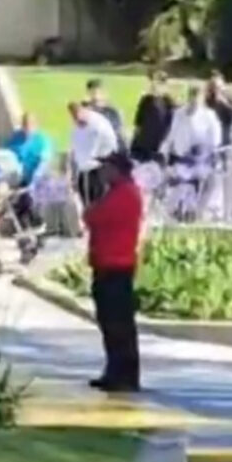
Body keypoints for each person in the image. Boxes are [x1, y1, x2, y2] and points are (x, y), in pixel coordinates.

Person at [83, 153, 142, 393]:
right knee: (110, 322)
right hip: (107, 262)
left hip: (115, 264)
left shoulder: (123, 194)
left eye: (106, 167)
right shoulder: (116, 193)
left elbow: (94, 217)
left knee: (118, 322)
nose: (103, 172)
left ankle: (124, 373)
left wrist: (94, 204)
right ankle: (114, 370)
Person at [160, 85, 222, 218]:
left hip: (200, 159)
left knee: (197, 192)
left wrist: (208, 153)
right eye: (192, 97)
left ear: (202, 99)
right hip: (180, 159)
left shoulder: (209, 116)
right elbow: (172, 134)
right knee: (177, 192)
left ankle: (192, 214)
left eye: (197, 97)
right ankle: (177, 213)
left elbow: (215, 139)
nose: (194, 100)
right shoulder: (179, 114)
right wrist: (165, 152)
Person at [3, 112, 51, 229]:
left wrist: (35, 179)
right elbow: (6, 154)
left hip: (37, 178)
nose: (27, 129)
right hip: (20, 177)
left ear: (36, 126)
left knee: (30, 201)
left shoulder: (42, 140)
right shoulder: (16, 138)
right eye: (25, 126)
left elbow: (44, 161)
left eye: (30, 126)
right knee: (17, 202)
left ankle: (37, 224)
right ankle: (23, 226)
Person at [68, 101, 119, 208]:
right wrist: (74, 172)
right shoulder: (77, 128)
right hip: (86, 169)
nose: (77, 121)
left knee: (100, 201)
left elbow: (93, 152)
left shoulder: (97, 125)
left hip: (100, 167)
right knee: (87, 201)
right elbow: (75, 150)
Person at [130, 70, 175, 164]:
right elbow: (138, 124)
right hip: (142, 146)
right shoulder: (146, 100)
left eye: (159, 83)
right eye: (154, 82)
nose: (154, 85)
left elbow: (171, 126)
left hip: (158, 146)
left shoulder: (169, 103)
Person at [86, 78, 126, 152]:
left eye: (97, 93)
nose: (95, 96)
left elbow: (119, 135)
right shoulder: (86, 113)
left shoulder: (113, 112)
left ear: (103, 94)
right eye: (92, 93)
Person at [204, 69, 232, 147]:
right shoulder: (212, 100)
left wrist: (227, 103)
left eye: (222, 85)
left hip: (229, 129)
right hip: (218, 132)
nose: (222, 88)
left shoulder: (227, 96)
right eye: (219, 87)